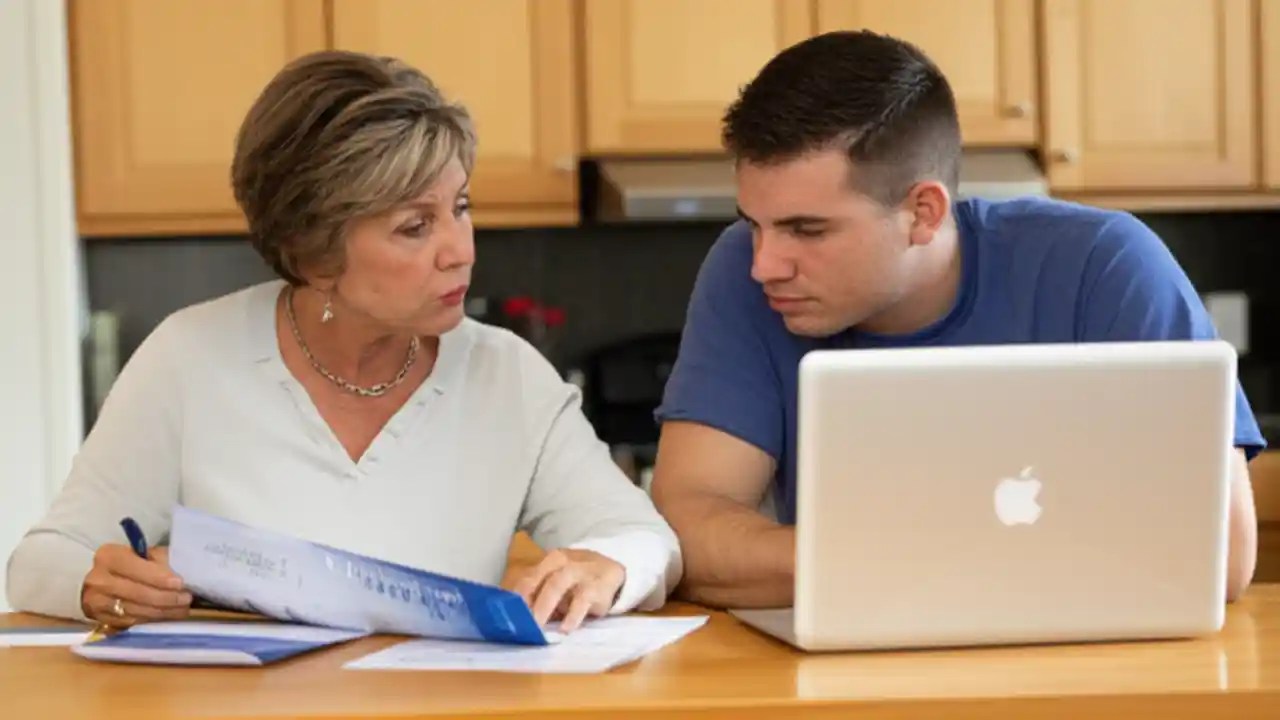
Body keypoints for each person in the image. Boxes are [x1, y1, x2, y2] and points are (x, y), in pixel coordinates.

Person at [5, 50, 681, 633]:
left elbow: (646, 539)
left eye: (461, 207)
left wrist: (609, 565)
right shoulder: (189, 359)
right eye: (415, 227)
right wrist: (98, 586)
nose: (460, 250)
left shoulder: (508, 376)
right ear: (313, 250)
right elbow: (42, 562)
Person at [650, 30, 1265, 610]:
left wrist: (874, 564)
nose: (765, 265)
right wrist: (908, 561)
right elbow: (686, 527)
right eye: (754, 223)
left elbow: (1223, 556)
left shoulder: (1107, 265)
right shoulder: (744, 272)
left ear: (923, 212)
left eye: (807, 229)